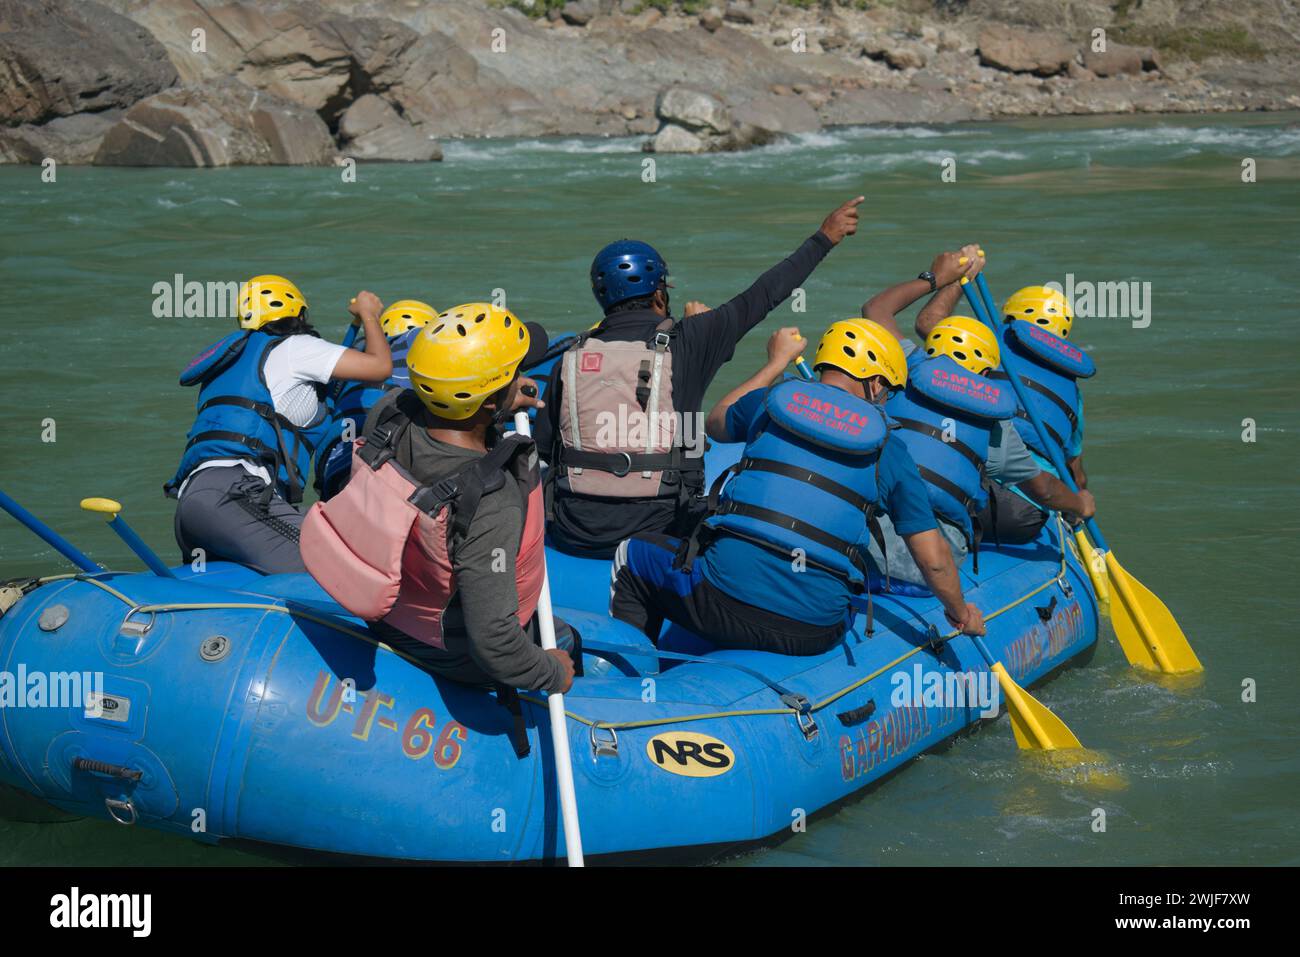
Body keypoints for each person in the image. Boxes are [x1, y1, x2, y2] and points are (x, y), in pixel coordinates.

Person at [608, 320, 986, 657]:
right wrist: (960, 612)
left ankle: (633, 681)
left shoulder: (769, 404)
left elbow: (718, 421)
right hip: (814, 632)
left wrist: (775, 364)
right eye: (888, 392)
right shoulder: (891, 449)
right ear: (874, 384)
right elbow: (934, 558)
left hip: (720, 605)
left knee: (633, 552)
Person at [534, 195, 866, 560]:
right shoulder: (692, 338)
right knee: (690, 429)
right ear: (659, 293)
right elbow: (764, 294)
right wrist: (824, 238)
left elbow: (548, 447)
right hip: (660, 530)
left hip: (575, 530)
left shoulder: (571, 355)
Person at [300, 303, 575, 706]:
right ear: (485, 403)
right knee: (569, 639)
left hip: (389, 615)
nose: (519, 378)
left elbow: (447, 433)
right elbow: (495, 644)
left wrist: (497, 403)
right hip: (450, 650)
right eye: (511, 375)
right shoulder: (493, 503)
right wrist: (550, 670)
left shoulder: (389, 414)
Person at [866, 253, 1096, 547]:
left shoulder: (927, 360)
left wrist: (957, 278)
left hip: (910, 490)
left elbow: (923, 322)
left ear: (1010, 319)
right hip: (1021, 511)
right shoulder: (1068, 391)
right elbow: (1069, 474)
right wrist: (1079, 504)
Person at [165, 277, 392, 574]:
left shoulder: (228, 366)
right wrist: (369, 314)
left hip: (192, 504)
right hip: (237, 497)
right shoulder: (296, 347)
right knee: (350, 571)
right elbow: (379, 367)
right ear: (300, 315)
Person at [314, 299, 437, 500]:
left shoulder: (354, 356)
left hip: (334, 465)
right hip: (386, 467)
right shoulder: (423, 357)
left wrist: (356, 323)